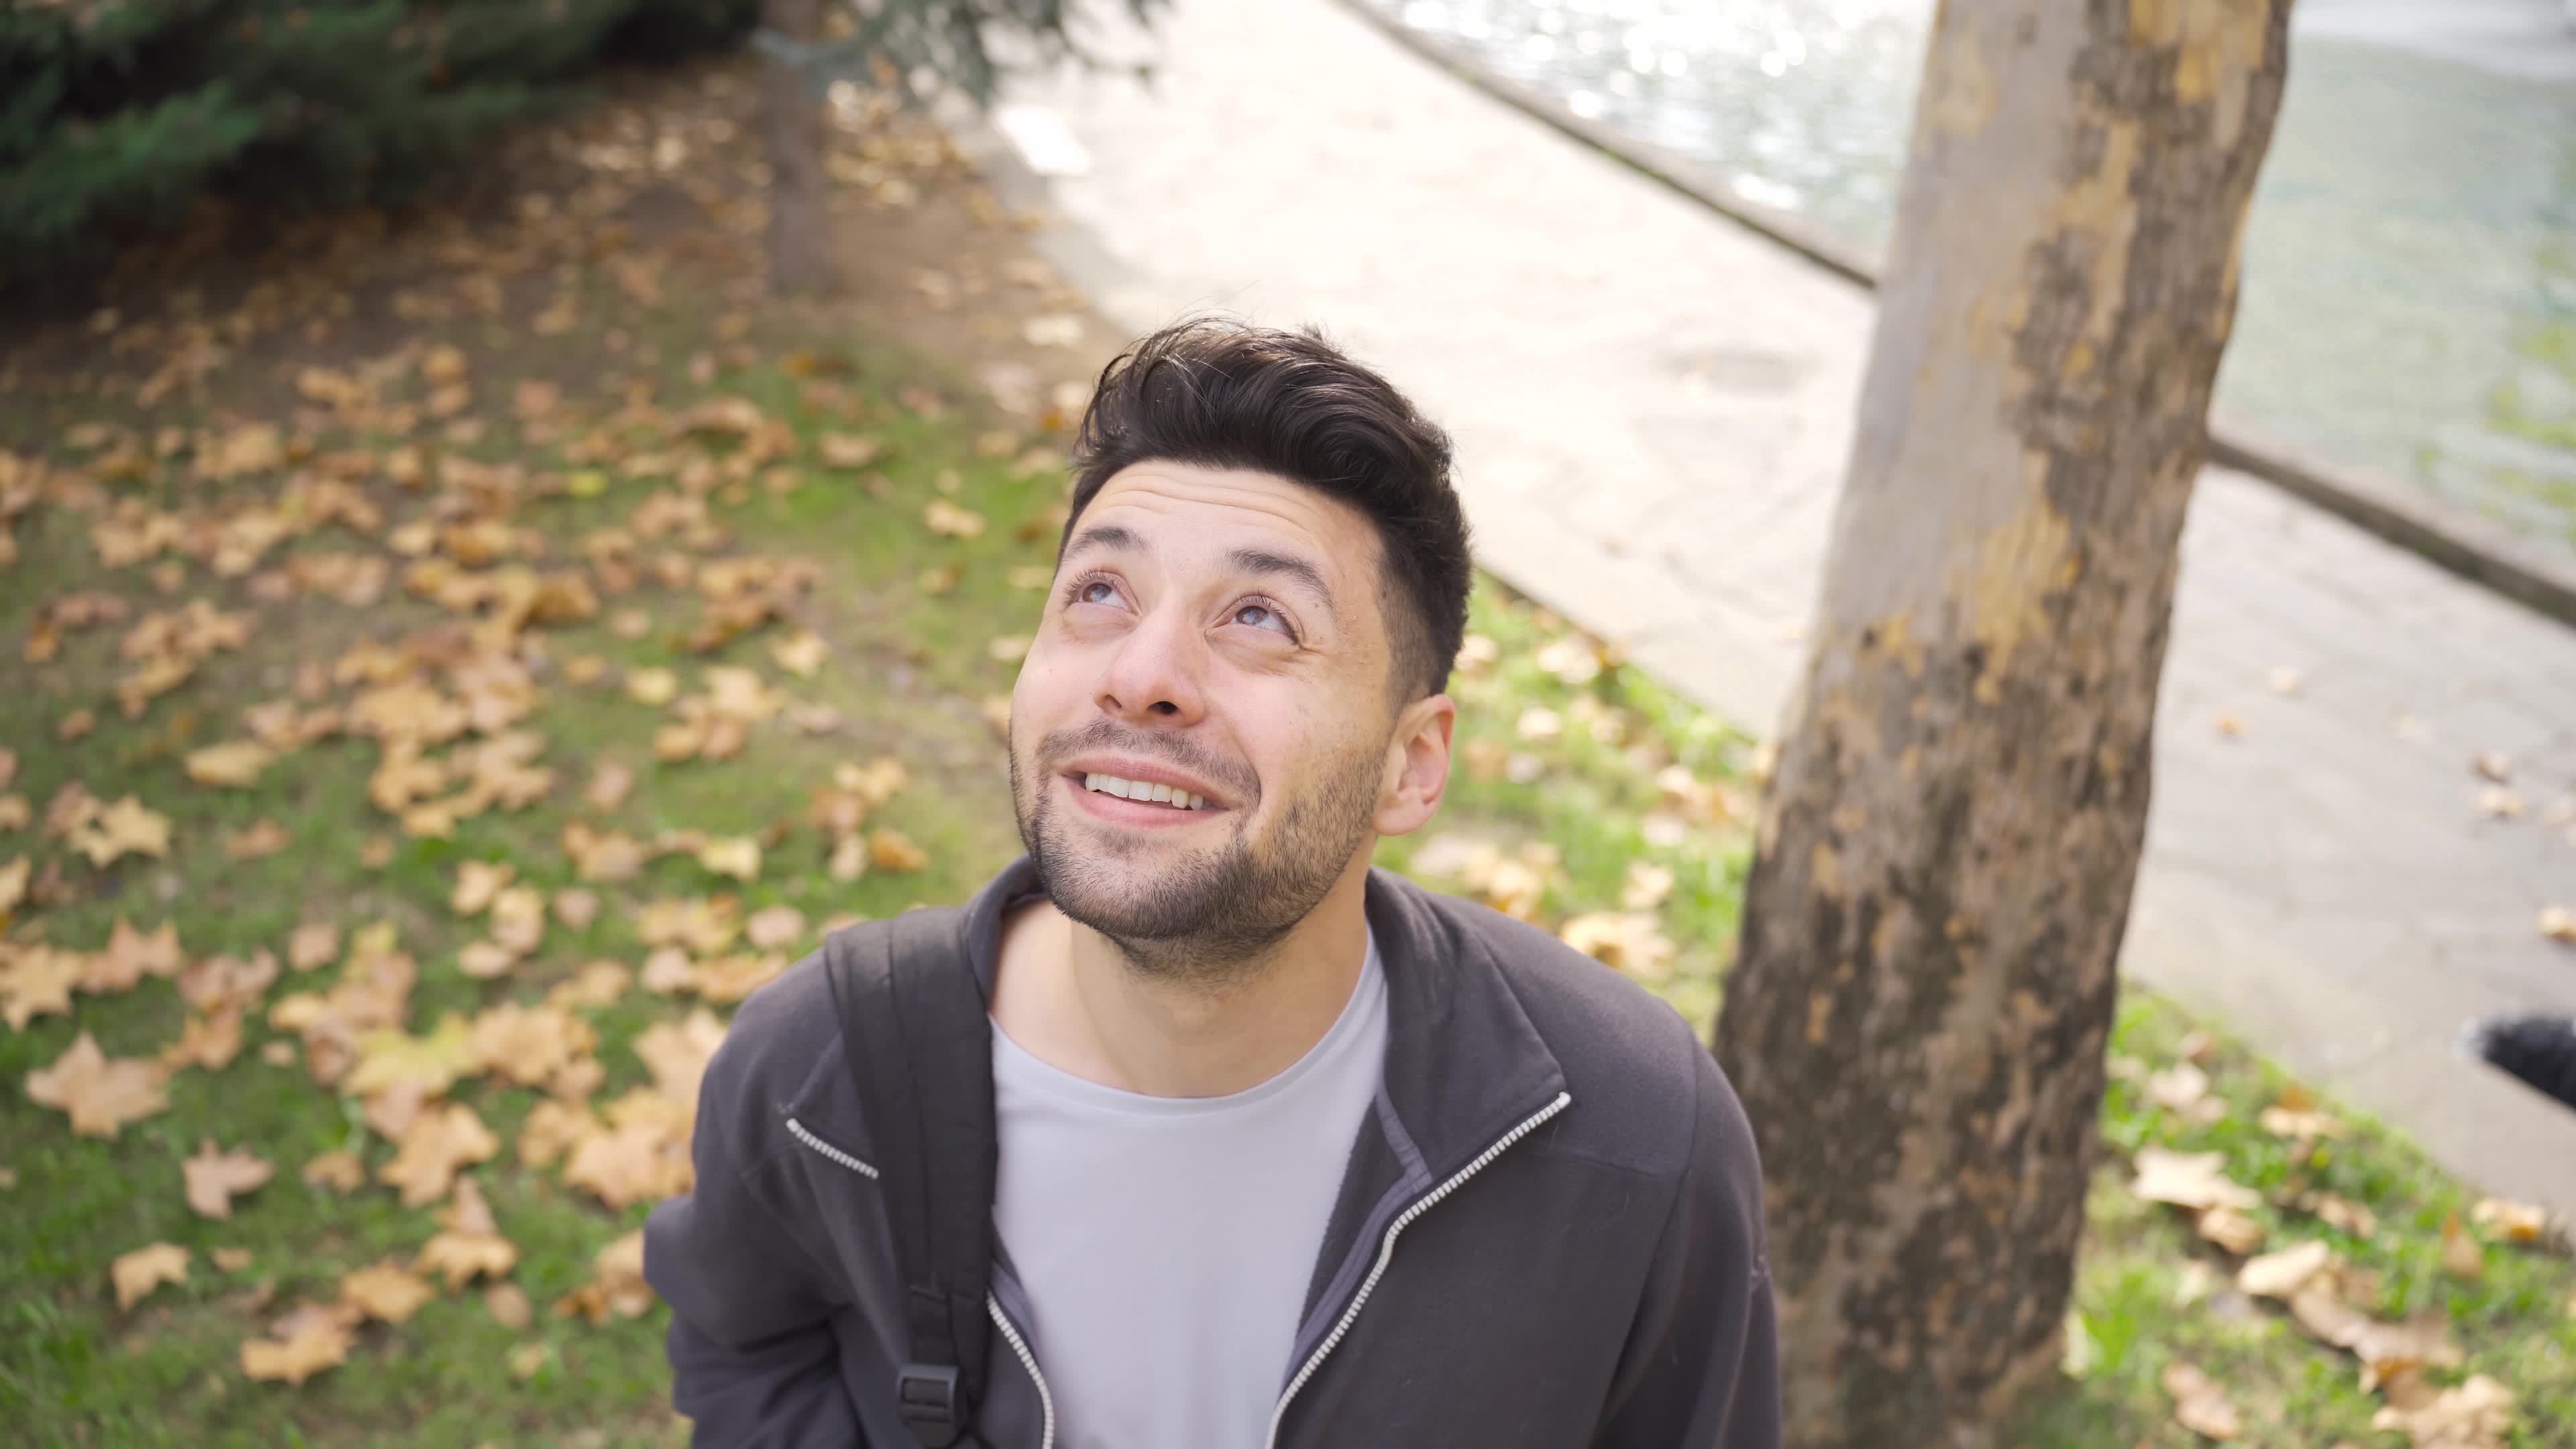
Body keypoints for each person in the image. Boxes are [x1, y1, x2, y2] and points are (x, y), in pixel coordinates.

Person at [642, 316, 1782, 1448]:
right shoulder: (821, 1071)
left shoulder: (1635, 1134)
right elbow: (746, 1346)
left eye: (1259, 618)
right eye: (1100, 594)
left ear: (1412, 763)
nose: (1142, 676)